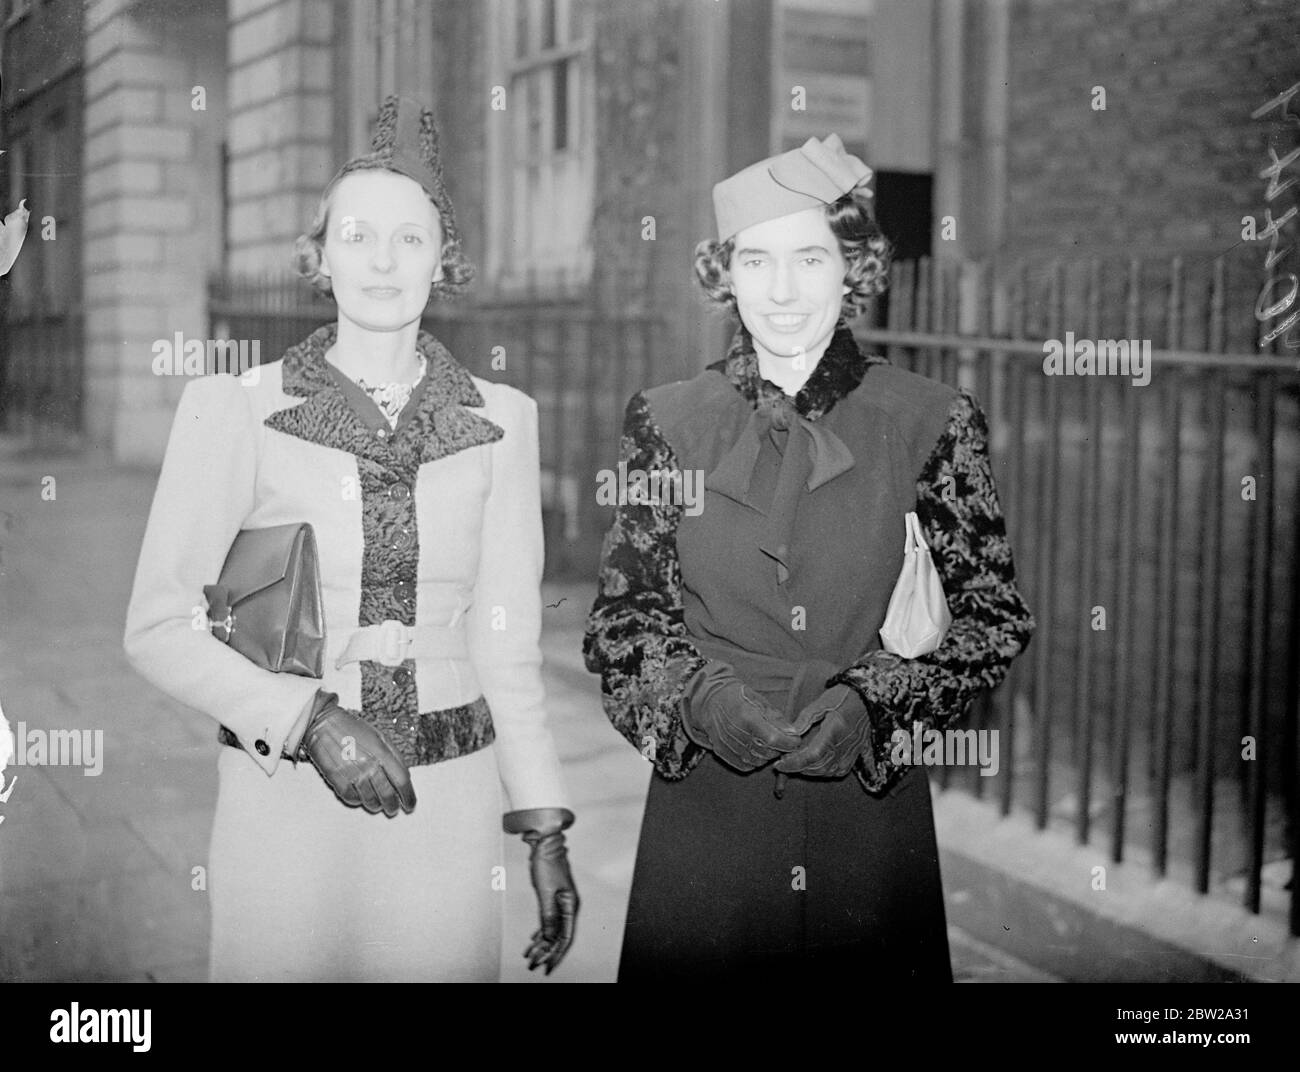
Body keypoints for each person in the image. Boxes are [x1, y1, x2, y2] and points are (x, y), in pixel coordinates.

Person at [124, 95, 578, 982]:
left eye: (410, 239)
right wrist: (311, 720)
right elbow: (157, 628)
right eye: (357, 235)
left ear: (441, 261)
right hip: (285, 799)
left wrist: (544, 819)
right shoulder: (239, 408)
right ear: (319, 256)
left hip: (446, 807)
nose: (382, 260)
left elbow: (506, 645)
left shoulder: (506, 422)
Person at [583, 133, 1034, 981]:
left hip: (868, 817)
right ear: (727, 274)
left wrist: (879, 704)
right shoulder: (668, 422)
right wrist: (695, 700)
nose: (781, 291)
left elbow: (992, 619)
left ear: (852, 268)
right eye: (756, 262)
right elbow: (623, 618)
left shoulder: (931, 418)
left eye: (809, 259)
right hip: (706, 814)